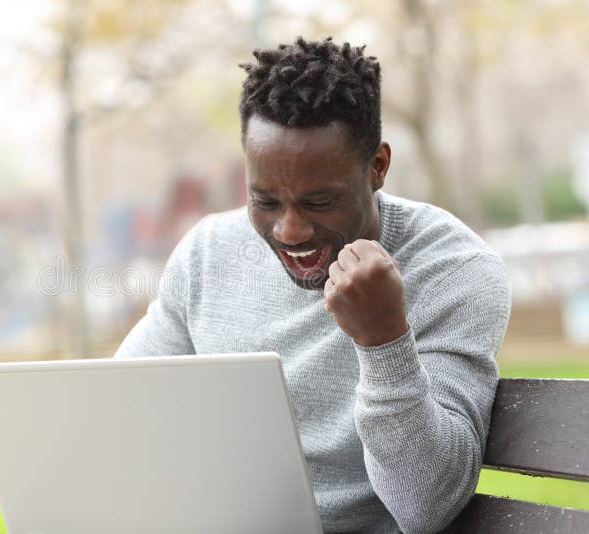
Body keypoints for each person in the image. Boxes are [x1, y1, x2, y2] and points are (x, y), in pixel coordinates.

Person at [114, 36, 511, 533]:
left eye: (319, 202)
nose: (290, 230)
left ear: (377, 167)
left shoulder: (454, 270)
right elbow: (118, 409)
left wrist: (384, 339)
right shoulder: (208, 252)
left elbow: (426, 505)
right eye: (266, 200)